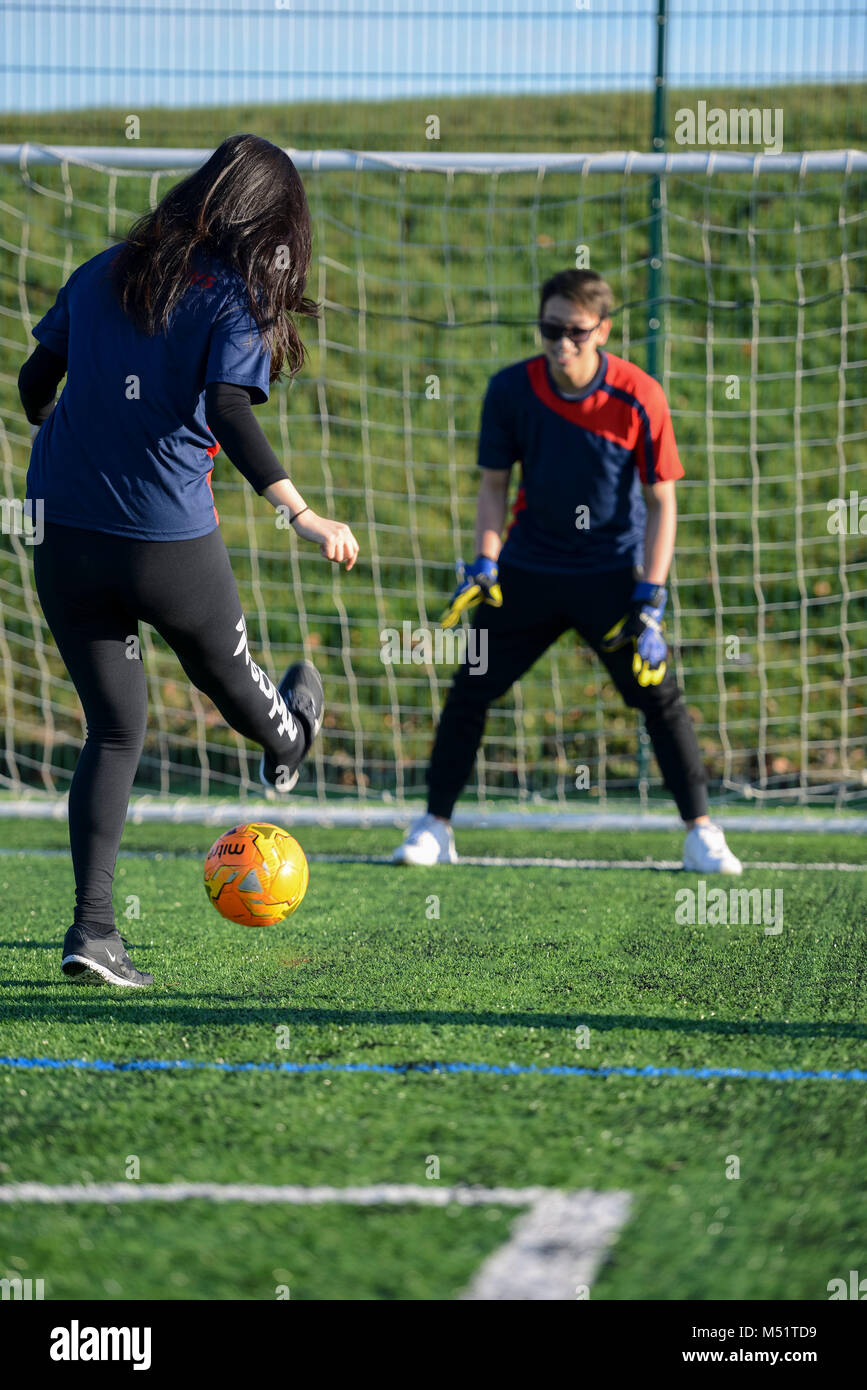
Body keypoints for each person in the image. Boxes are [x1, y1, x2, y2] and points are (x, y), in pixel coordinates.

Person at [18, 134, 359, 988]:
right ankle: (294, 738)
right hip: (162, 540)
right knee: (232, 682)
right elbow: (228, 410)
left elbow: (33, 382)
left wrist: (68, 419)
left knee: (114, 729)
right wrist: (303, 512)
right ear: (267, 223)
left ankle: (93, 931)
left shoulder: (102, 270)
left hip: (60, 530)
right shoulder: (231, 298)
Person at [393, 268, 741, 874]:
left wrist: (650, 598)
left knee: (660, 699)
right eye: (550, 328)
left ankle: (702, 834)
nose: (562, 343)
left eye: (576, 331)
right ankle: (434, 826)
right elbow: (493, 486)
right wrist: (485, 561)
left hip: (612, 572)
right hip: (528, 568)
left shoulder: (641, 395)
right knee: (470, 687)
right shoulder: (510, 390)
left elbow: (663, 503)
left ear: (603, 329)